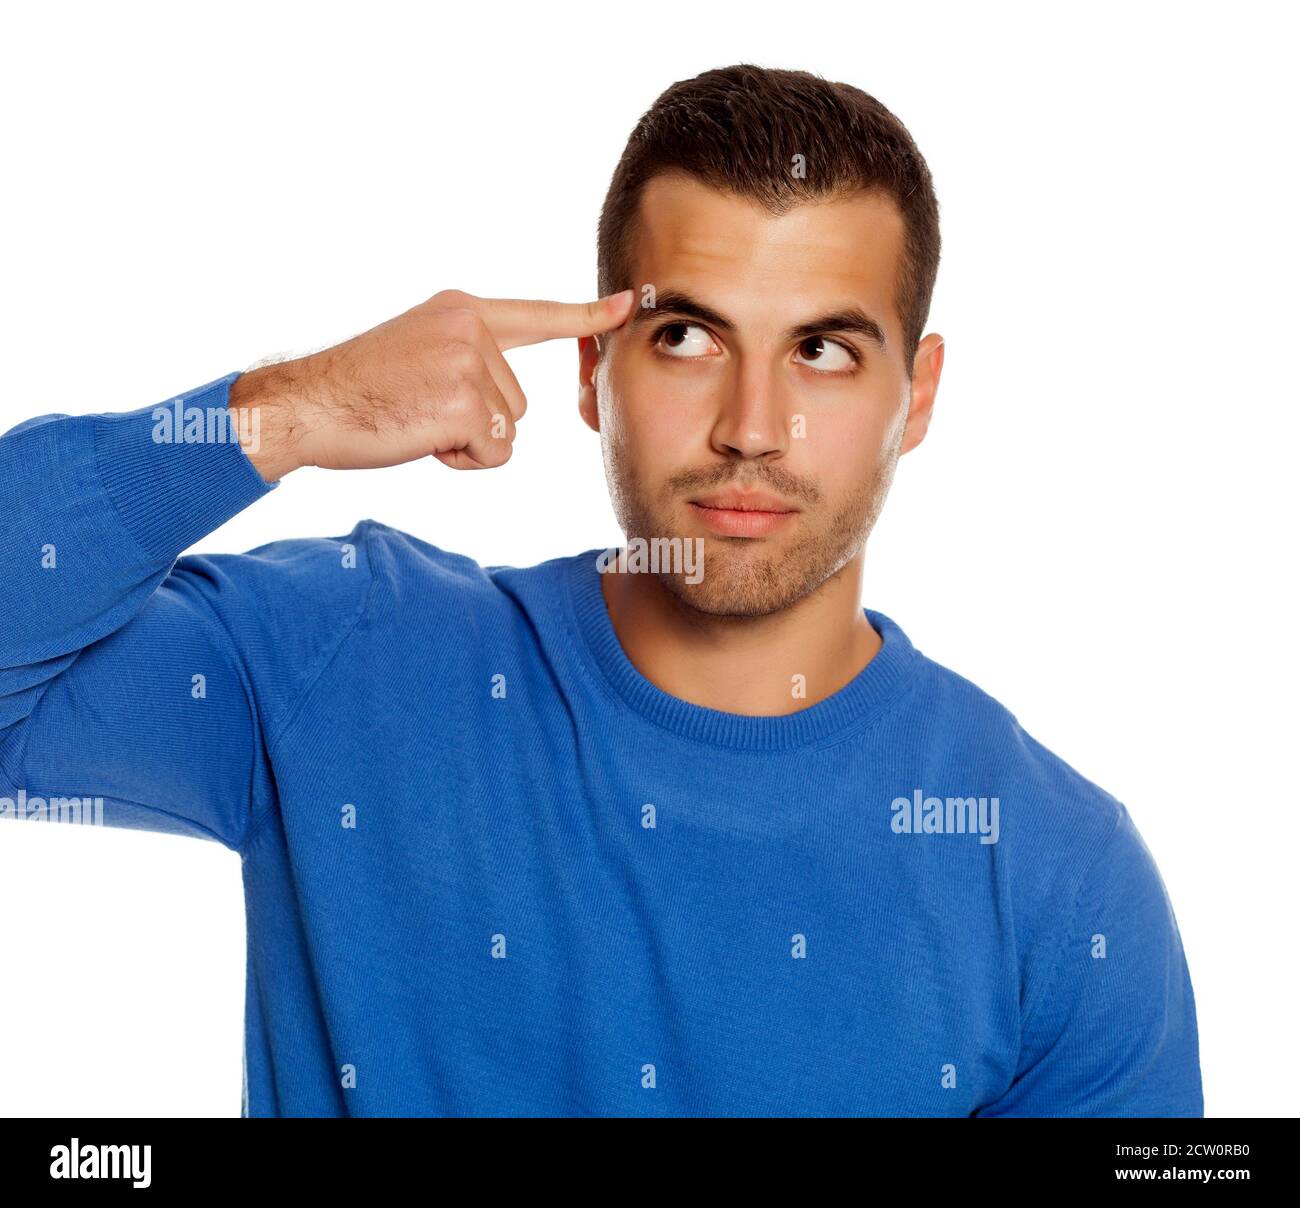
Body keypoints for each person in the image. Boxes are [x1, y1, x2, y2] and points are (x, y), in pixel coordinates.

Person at [0, 63, 1202, 1117]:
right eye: (687, 337)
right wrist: (293, 407)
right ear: (593, 370)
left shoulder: (1054, 871)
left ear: (918, 395)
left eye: (822, 350)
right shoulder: (350, 660)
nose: (749, 430)